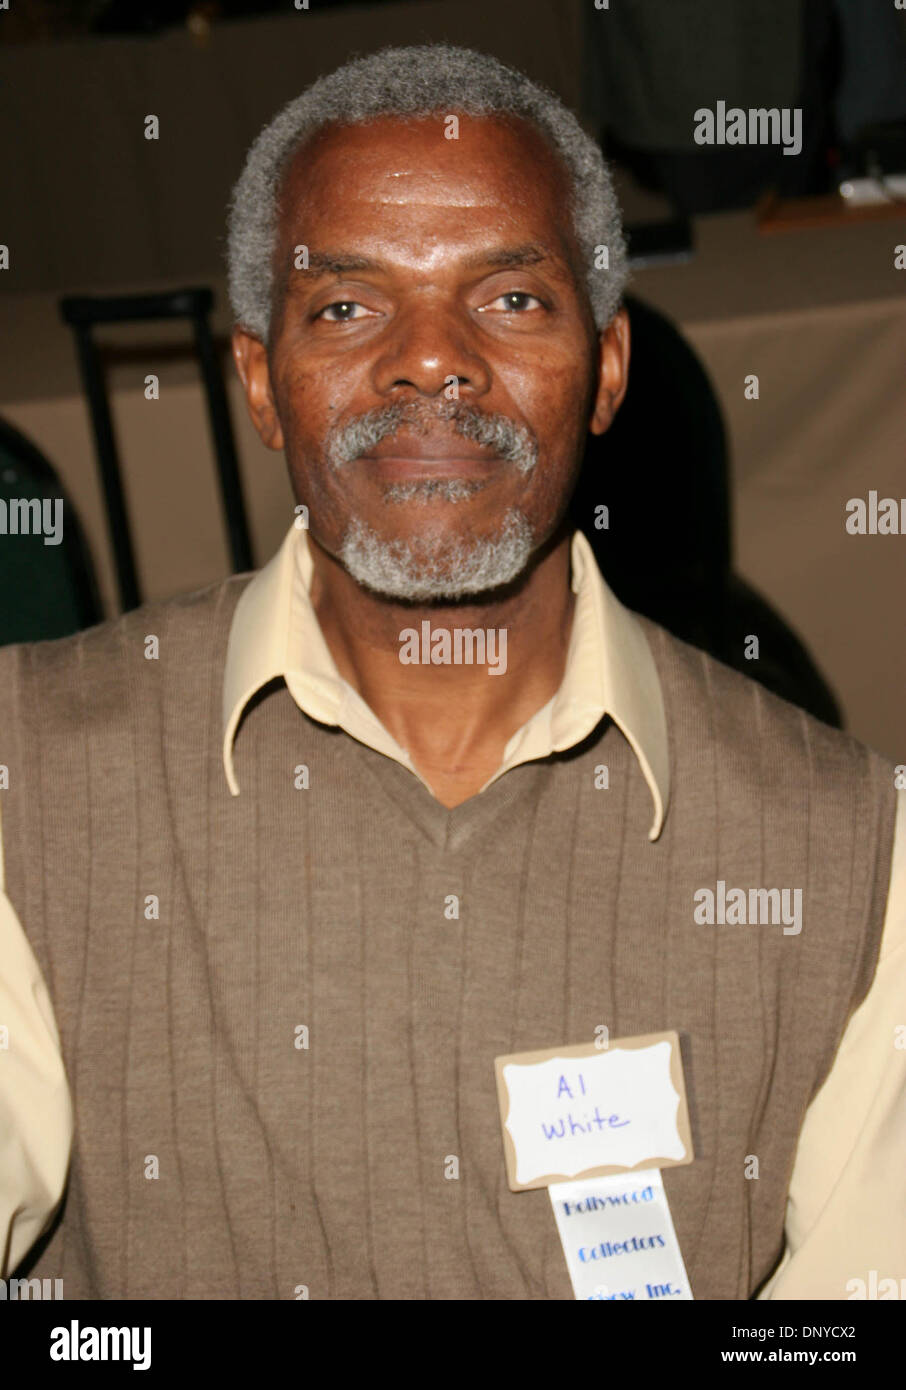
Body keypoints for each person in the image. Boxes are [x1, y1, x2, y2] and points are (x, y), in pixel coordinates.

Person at [0, 43, 902, 1301]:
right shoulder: (26, 779)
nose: (434, 361)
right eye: (349, 306)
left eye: (512, 299)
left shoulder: (854, 853)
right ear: (261, 381)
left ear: (609, 370)